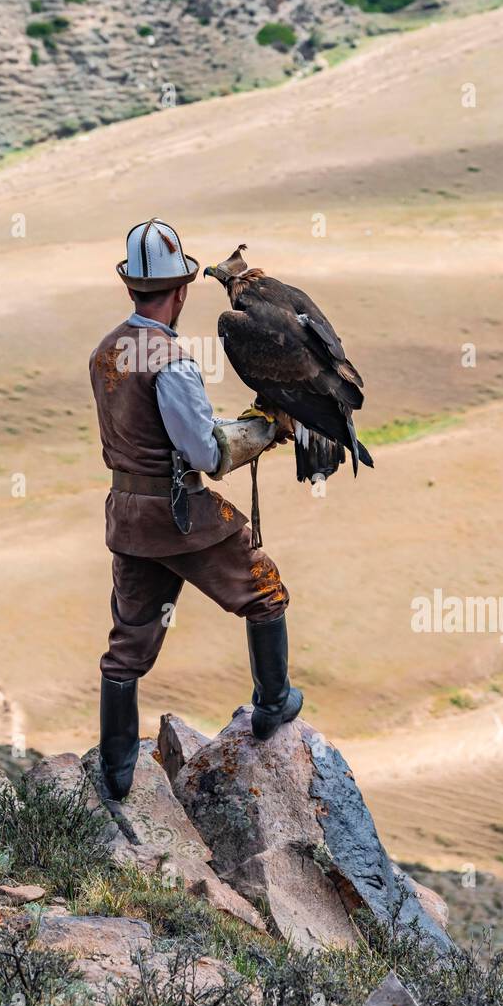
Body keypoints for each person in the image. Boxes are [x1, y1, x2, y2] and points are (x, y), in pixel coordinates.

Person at [88, 218, 302, 800]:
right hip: (179, 515)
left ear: (132, 287)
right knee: (263, 589)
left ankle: (115, 773)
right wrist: (259, 432)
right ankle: (273, 703)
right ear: (181, 289)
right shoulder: (172, 360)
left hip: (128, 516)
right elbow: (203, 452)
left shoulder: (106, 351)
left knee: (128, 646)